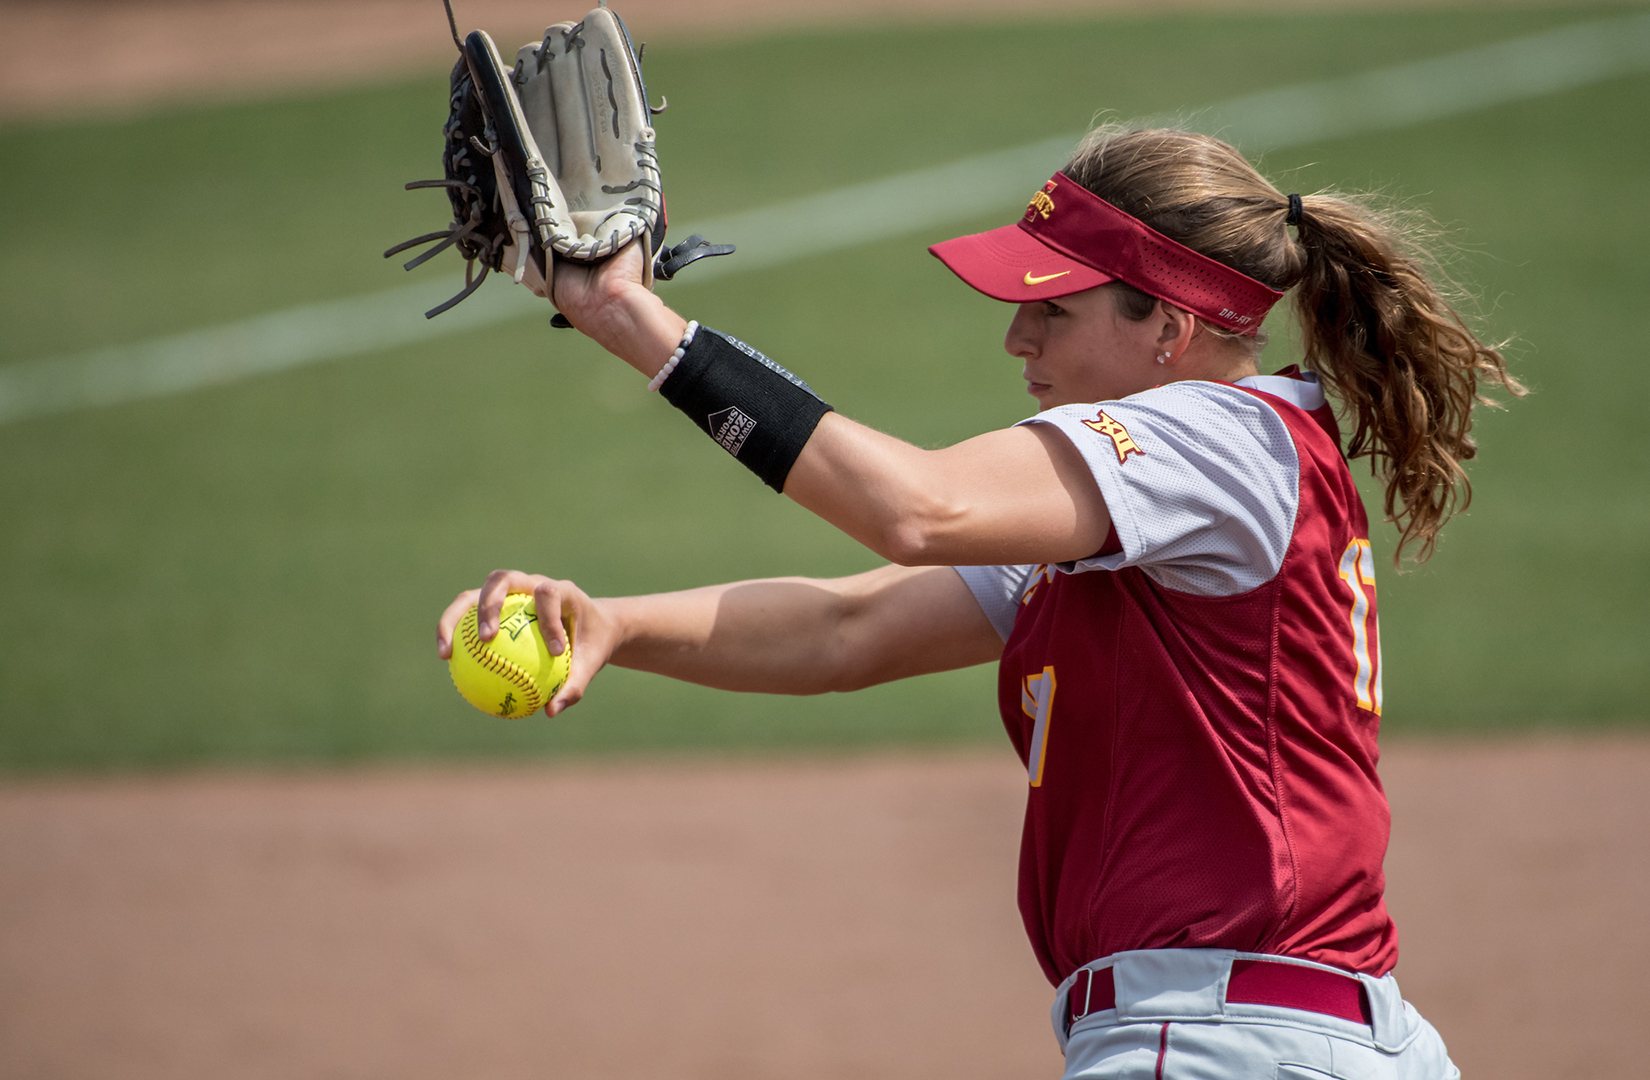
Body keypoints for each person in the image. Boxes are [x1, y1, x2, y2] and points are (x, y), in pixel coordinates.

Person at [436, 126, 1520, 1079]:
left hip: (1217, 1045)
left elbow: (915, 510)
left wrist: (634, 321)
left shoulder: (1217, 439)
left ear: (1171, 324)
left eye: (1053, 306)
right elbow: (845, 627)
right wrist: (617, 626)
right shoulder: (1143, 510)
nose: (1018, 339)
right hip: (1290, 1039)